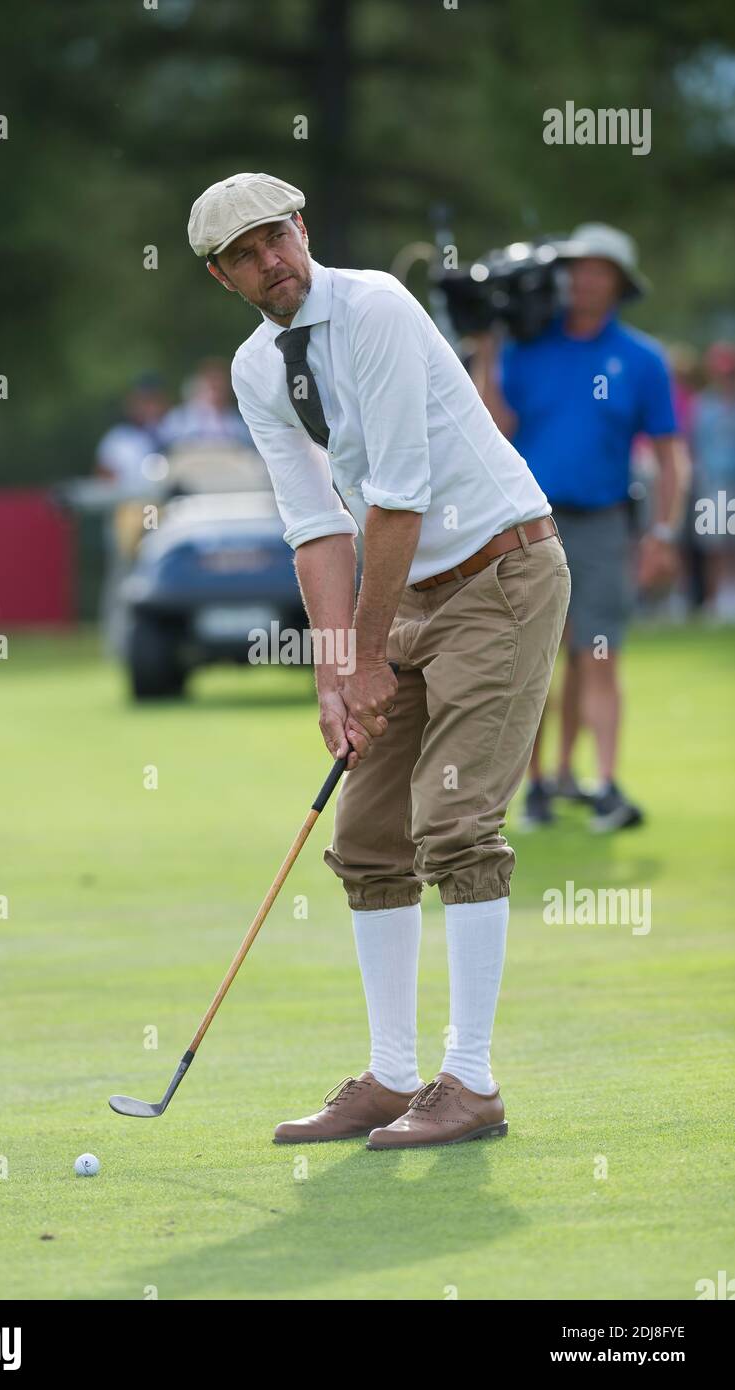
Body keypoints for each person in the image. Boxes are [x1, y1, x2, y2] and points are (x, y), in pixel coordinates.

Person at [187, 171, 570, 1149]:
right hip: (406, 596)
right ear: (222, 275)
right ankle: (395, 1076)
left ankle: (471, 1082)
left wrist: (365, 653)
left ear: (301, 226)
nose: (270, 260)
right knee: (365, 834)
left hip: (501, 573)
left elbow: (394, 500)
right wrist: (335, 669)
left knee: (453, 821)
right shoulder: (255, 369)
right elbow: (318, 525)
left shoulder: (378, 308)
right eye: (244, 253)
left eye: (277, 235)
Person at [474, 223, 688, 832]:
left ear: (619, 283)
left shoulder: (642, 358)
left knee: (598, 654)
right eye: (575, 268)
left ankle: (606, 783)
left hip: (603, 523)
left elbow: (671, 453)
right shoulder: (526, 348)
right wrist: (488, 351)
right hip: (530, 524)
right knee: (535, 660)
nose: (583, 279)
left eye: (598, 270)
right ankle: (538, 784)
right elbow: (495, 429)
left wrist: (664, 534)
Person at [94, 373, 171, 656]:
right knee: (120, 581)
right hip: (127, 517)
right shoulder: (118, 439)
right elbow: (105, 481)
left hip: (166, 518)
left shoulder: (171, 432)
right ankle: (116, 646)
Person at [692, 341, 735, 621]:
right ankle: (714, 599)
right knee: (713, 543)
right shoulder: (704, 405)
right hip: (712, 481)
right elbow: (696, 444)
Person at [160, 357, 252, 450]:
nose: (216, 385)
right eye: (211, 380)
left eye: (220, 381)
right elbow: (165, 446)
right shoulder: (178, 418)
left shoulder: (238, 421)